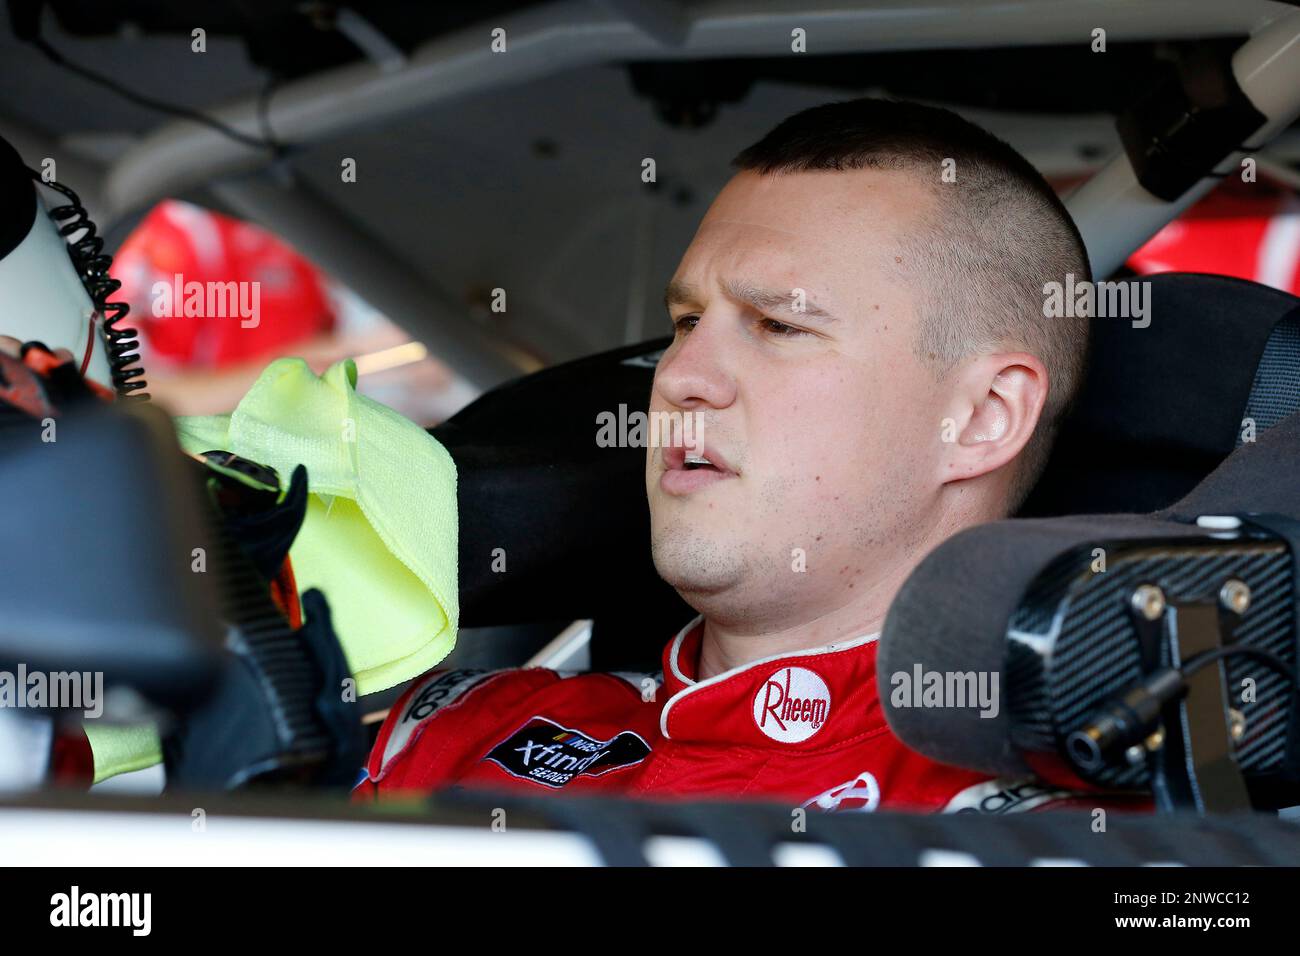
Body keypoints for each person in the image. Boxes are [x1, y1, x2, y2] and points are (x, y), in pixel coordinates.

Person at [353, 98, 1095, 813]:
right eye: (685, 321)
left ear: (981, 418)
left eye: (777, 325)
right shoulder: (451, 736)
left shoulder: (1045, 831)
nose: (677, 377)